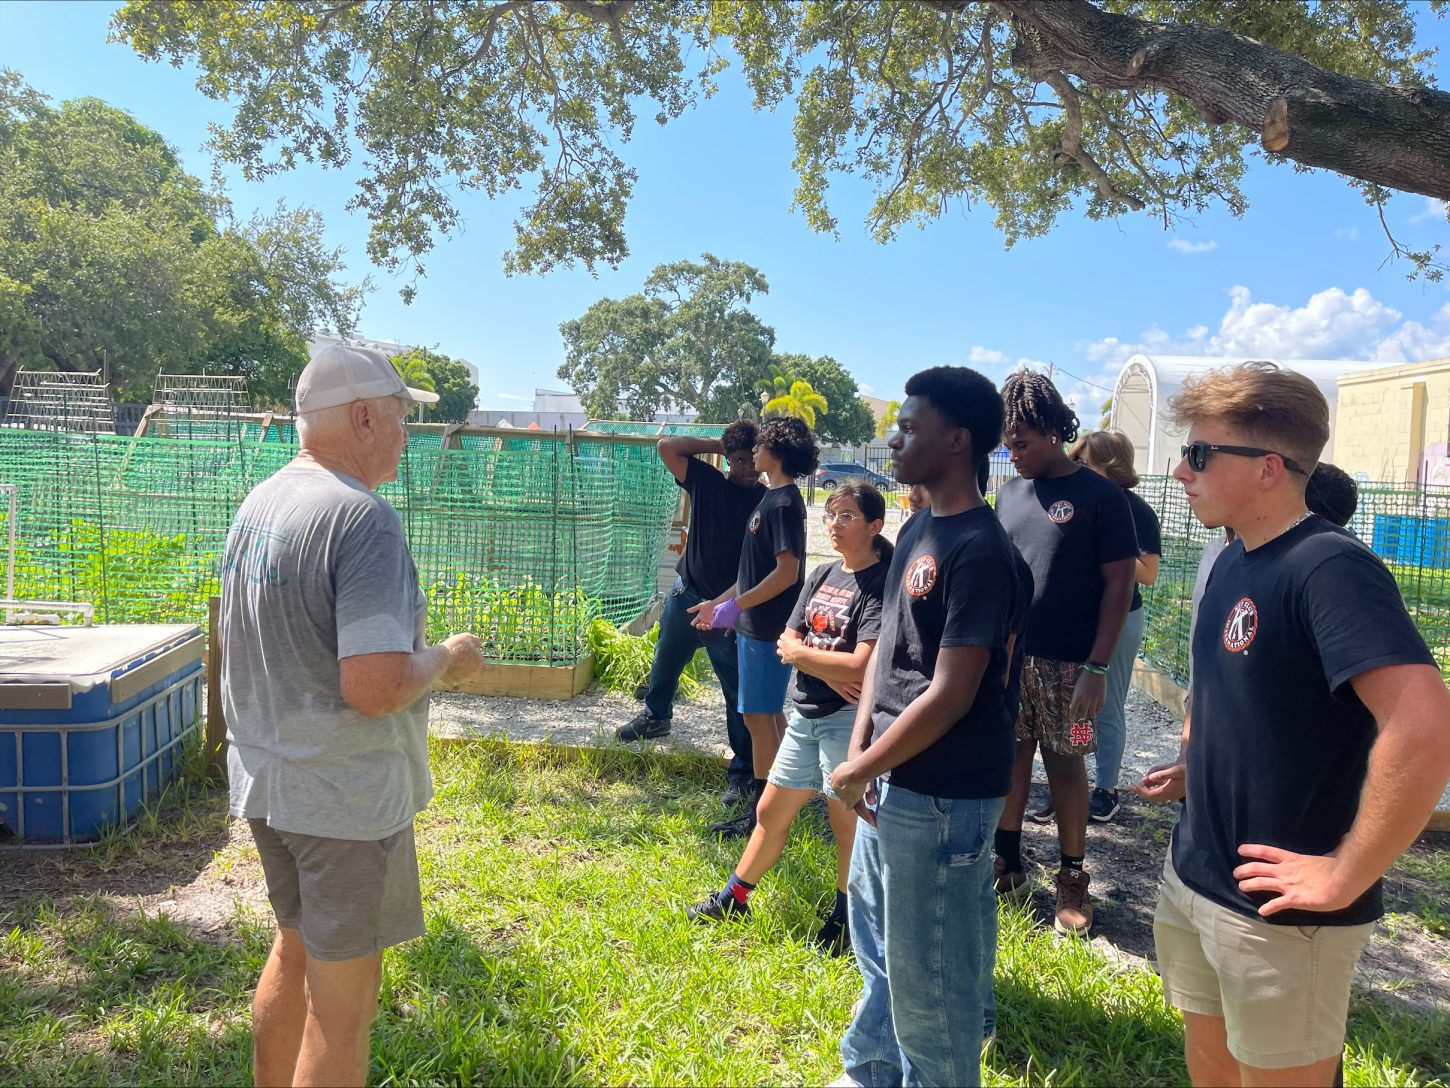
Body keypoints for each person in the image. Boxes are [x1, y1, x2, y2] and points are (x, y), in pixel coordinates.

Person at [1131, 362, 1450, 1087]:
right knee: (1211, 1070)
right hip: (1196, 876)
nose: (1180, 471)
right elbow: (1243, 697)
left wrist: (1346, 872)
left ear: (1269, 467)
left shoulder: (1329, 566)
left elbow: (1424, 726)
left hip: (1279, 912)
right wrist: (1196, 766)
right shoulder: (1231, 559)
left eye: (1199, 453)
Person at [220, 344, 488, 1088]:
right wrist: (447, 659)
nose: (407, 434)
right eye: (401, 417)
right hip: (340, 800)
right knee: (343, 1012)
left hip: (268, 784)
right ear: (364, 417)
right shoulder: (362, 519)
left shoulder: (262, 502)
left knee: (294, 946)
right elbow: (374, 687)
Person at [830, 366, 1023, 1088]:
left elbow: (951, 693)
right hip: (891, 775)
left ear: (957, 440)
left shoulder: (982, 550)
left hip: (943, 792)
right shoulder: (917, 528)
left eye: (910, 427)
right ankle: (872, 1069)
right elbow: (887, 653)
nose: (894, 438)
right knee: (881, 948)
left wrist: (861, 767)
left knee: (931, 979)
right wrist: (863, 750)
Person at [687, 481, 890, 953]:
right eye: (831, 515)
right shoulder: (821, 574)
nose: (835, 525)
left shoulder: (880, 584)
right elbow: (786, 640)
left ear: (874, 526)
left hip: (846, 720)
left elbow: (861, 665)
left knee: (847, 824)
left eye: (847, 517)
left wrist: (809, 659)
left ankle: (847, 917)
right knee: (769, 811)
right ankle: (734, 899)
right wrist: (819, 665)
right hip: (804, 715)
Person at [992, 370, 1138, 937]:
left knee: (1066, 765)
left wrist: (1097, 667)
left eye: (1023, 443)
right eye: (1008, 445)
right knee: (1011, 758)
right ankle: (1007, 862)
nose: (1014, 454)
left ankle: (1073, 876)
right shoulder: (1010, 494)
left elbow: (1120, 587)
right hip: (1014, 658)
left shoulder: (1102, 497)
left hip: (1073, 666)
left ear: (1054, 431)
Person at [616, 421, 765, 806]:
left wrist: (730, 608)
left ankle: (743, 773)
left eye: (753, 459)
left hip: (727, 611)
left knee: (736, 691)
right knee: (665, 659)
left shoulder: (767, 502)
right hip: (687, 594)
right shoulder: (706, 481)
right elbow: (667, 446)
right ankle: (656, 716)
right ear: (728, 459)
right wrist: (722, 443)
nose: (748, 468)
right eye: (739, 459)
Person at [691, 416, 818, 837]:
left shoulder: (782, 504)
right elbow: (752, 573)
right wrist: (719, 603)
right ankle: (780, 802)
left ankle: (761, 816)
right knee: (767, 719)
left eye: (760, 446)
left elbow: (786, 572)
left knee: (759, 720)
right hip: (755, 626)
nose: (753, 452)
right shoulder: (773, 498)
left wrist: (738, 606)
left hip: (766, 629)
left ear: (775, 452)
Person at [1029, 429, 1159, 824]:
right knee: (1071, 707)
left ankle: (1106, 788)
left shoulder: (1135, 509)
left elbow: (1148, 573)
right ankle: (1069, 784)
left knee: (1106, 703)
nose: (1078, 469)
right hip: (1079, 618)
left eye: (1087, 463)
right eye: (1077, 460)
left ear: (1113, 465)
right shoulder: (1075, 499)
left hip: (1121, 618)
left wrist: (1103, 546)